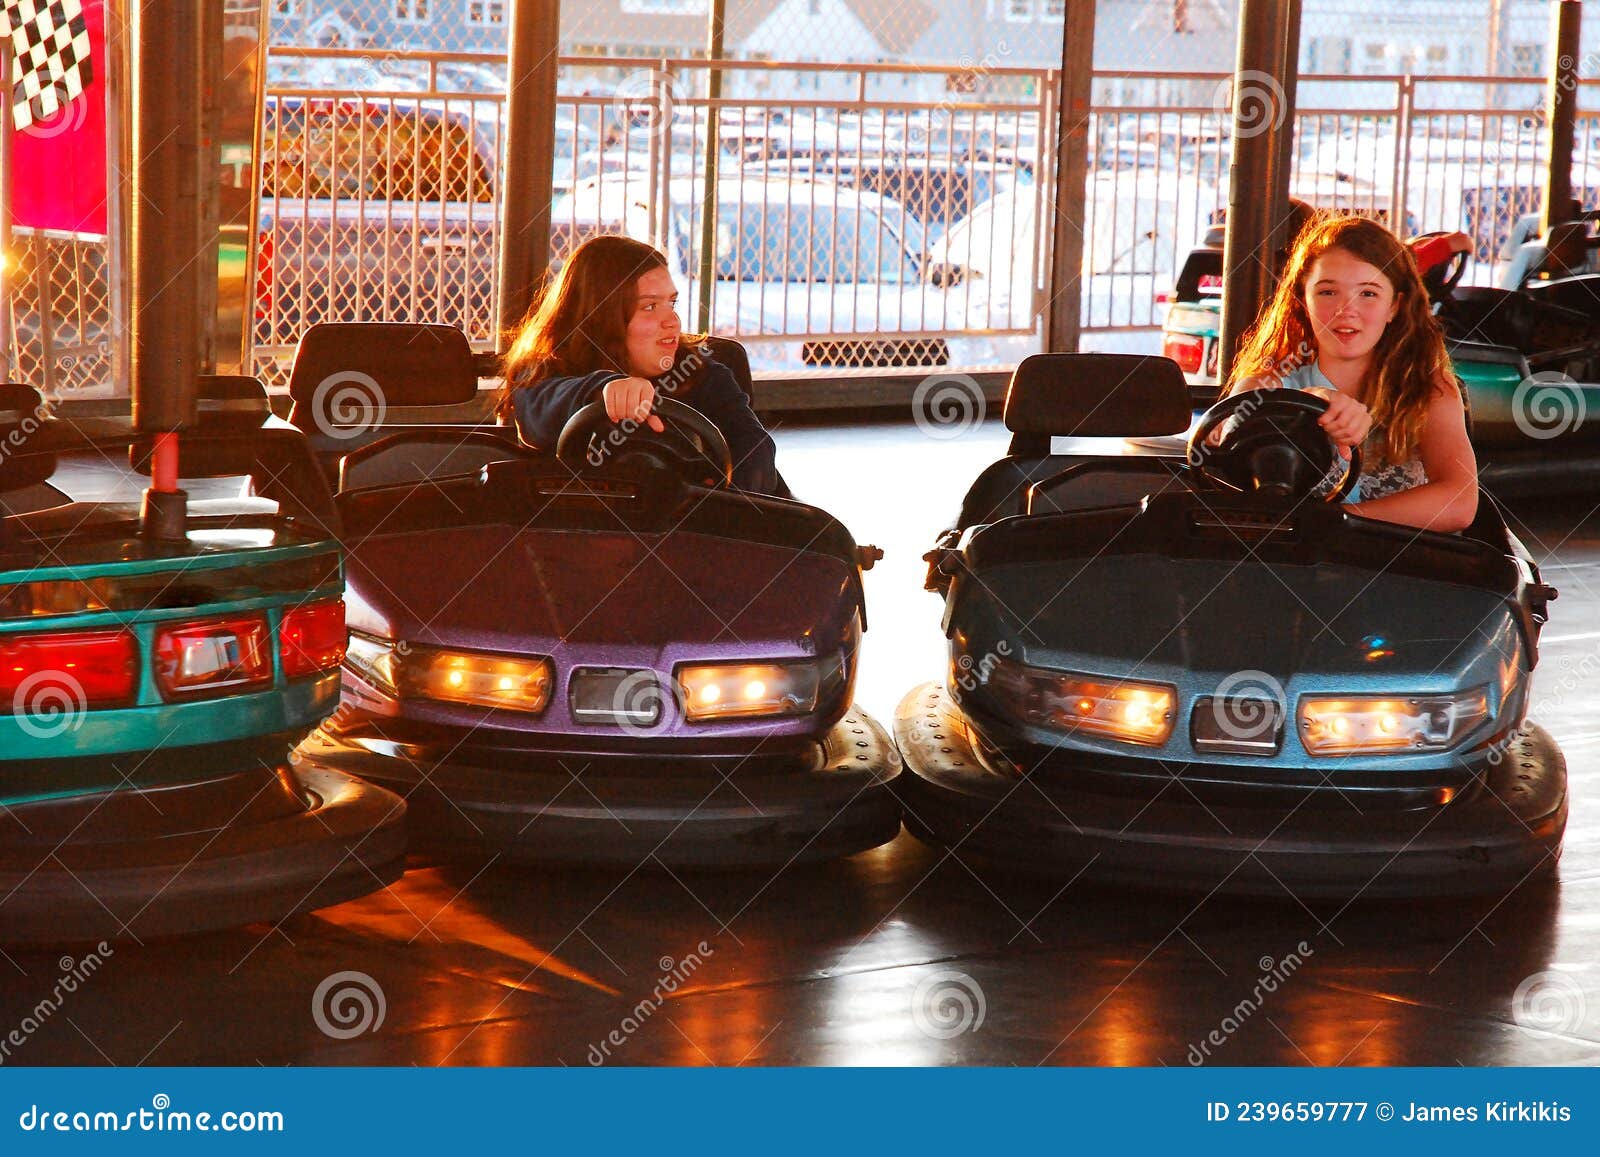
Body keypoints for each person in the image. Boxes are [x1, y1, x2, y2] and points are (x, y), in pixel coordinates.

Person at [1223, 214, 1478, 532]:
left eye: (1368, 293)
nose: (1346, 310)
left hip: (1402, 571)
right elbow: (1222, 466)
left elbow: (1459, 503)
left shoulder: (1426, 387)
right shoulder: (1266, 382)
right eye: (1328, 292)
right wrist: (1305, 404)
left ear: (1394, 307)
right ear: (1303, 299)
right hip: (1293, 571)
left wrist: (1337, 520)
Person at [498, 234, 788, 496]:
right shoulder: (544, 371)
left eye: (671, 304)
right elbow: (538, 413)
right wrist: (602, 390)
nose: (672, 321)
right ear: (602, 317)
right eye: (650, 307)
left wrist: (726, 501)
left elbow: (754, 448)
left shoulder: (702, 374)